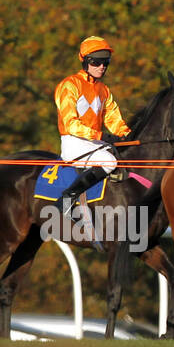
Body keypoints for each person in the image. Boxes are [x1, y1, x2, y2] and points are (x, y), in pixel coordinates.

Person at [51, 36, 133, 222]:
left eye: (106, 62)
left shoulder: (104, 90)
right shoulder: (69, 85)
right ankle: (65, 201)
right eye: (96, 62)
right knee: (110, 163)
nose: (101, 67)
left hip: (96, 143)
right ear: (85, 62)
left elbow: (114, 120)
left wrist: (127, 135)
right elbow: (71, 124)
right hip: (74, 143)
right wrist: (102, 135)